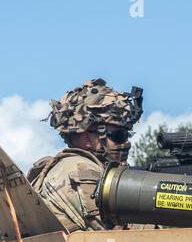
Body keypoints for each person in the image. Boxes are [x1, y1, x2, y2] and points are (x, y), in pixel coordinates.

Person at [27, 78, 143, 232]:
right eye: (119, 135)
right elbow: (122, 237)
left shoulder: (65, 168)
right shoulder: (82, 171)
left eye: (128, 134)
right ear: (88, 138)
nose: (127, 142)